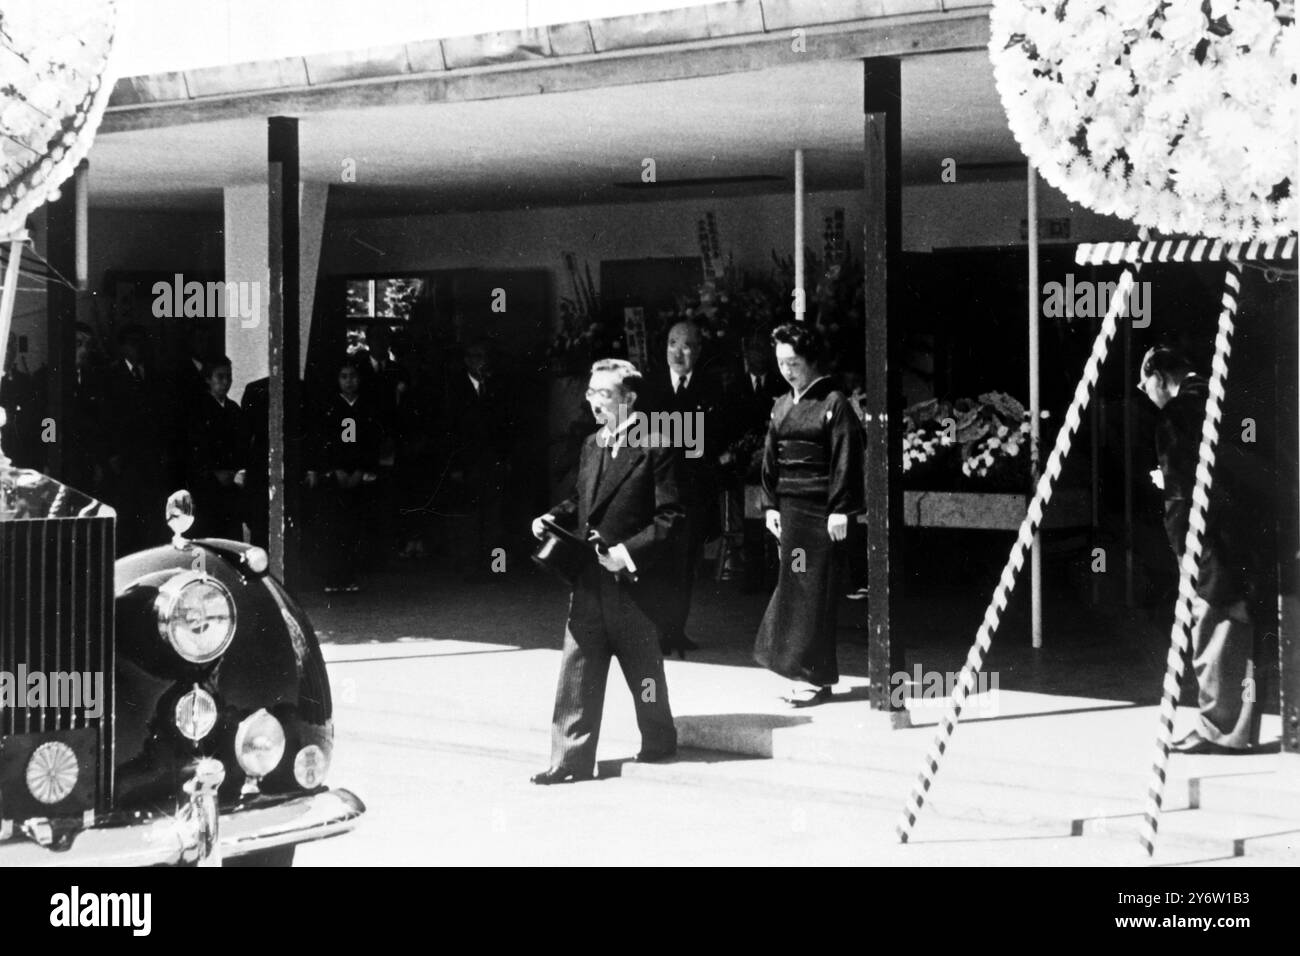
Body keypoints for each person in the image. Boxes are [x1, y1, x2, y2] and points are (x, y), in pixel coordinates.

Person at [528, 358, 683, 784]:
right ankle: (569, 762)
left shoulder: (657, 444)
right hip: (588, 579)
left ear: (629, 398)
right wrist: (551, 517)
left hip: (632, 581)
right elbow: (581, 503)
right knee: (578, 668)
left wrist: (627, 554)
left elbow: (671, 517)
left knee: (643, 671)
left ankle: (658, 742)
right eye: (591, 393)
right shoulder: (592, 445)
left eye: (604, 394)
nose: (594, 402)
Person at [1138, 345, 1257, 753]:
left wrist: (1181, 543)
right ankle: (1235, 726)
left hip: (1209, 537)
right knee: (1237, 622)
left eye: (1144, 385)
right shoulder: (1225, 395)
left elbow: (1180, 489)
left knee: (1213, 624)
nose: (1145, 393)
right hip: (1244, 527)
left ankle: (1218, 729)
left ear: (1159, 376)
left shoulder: (1176, 413)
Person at [754, 322, 863, 707]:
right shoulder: (782, 405)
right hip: (790, 511)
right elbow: (770, 461)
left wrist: (840, 509)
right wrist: (770, 506)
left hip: (820, 514)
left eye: (794, 362)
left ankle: (812, 678)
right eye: (781, 362)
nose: (787, 370)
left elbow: (846, 459)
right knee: (796, 589)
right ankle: (806, 673)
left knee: (815, 592)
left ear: (811, 360)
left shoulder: (834, 404)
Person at [638, 320, 729, 657]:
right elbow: (642, 438)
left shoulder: (711, 388)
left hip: (693, 493)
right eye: (672, 343)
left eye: (686, 345)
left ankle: (675, 630)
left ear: (698, 351)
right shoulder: (648, 387)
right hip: (656, 493)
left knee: (685, 563)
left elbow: (713, 439)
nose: (678, 352)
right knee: (656, 561)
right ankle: (655, 630)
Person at [308, 357, 382, 593]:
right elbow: (322, 441)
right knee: (333, 527)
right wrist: (334, 469)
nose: (349, 382)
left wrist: (360, 470)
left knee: (354, 528)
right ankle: (333, 576)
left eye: (353, 376)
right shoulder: (329, 406)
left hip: (358, 476)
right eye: (344, 377)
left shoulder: (367, 406)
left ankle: (350, 575)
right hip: (335, 476)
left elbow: (372, 443)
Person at [104, 325, 171, 554]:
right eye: (132, 342)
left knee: (150, 514)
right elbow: (106, 418)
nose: (138, 347)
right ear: (122, 347)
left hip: (149, 459)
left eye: (141, 342)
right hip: (125, 460)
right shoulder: (111, 375)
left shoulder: (152, 375)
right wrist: (112, 454)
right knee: (127, 514)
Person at [187, 355, 248, 540]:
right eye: (220, 377)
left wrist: (240, 472)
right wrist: (214, 473)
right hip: (208, 487)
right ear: (208, 379)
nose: (226, 382)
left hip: (232, 486)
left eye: (229, 377)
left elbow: (243, 445)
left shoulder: (234, 409)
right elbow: (194, 450)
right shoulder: (197, 410)